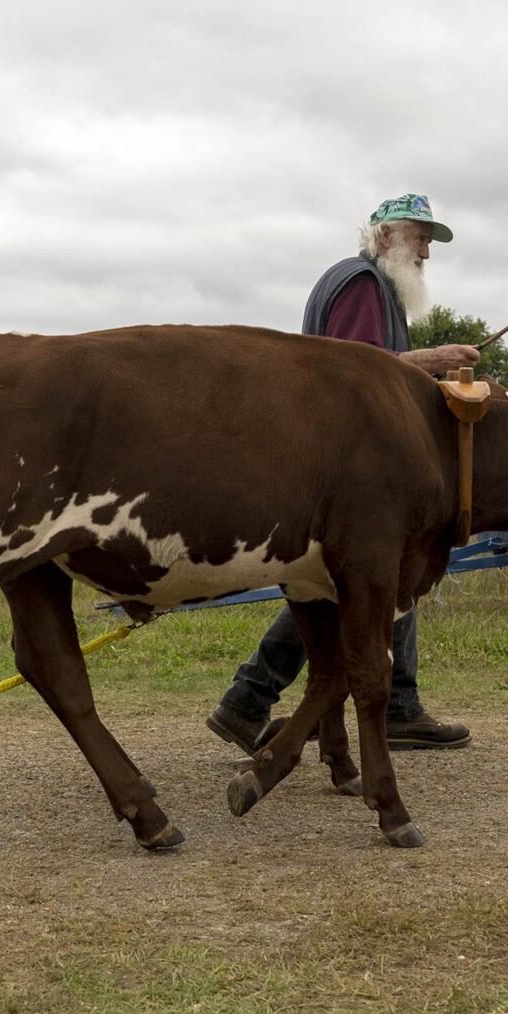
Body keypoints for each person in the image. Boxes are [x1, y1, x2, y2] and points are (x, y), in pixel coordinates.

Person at [207, 193, 481, 755]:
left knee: (369, 578)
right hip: (349, 463)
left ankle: (261, 702)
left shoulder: (370, 286)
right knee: (368, 577)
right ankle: (251, 698)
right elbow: (358, 373)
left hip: (347, 459)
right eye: (420, 238)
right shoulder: (362, 284)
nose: (427, 252)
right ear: (385, 237)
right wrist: (433, 362)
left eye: (430, 242)